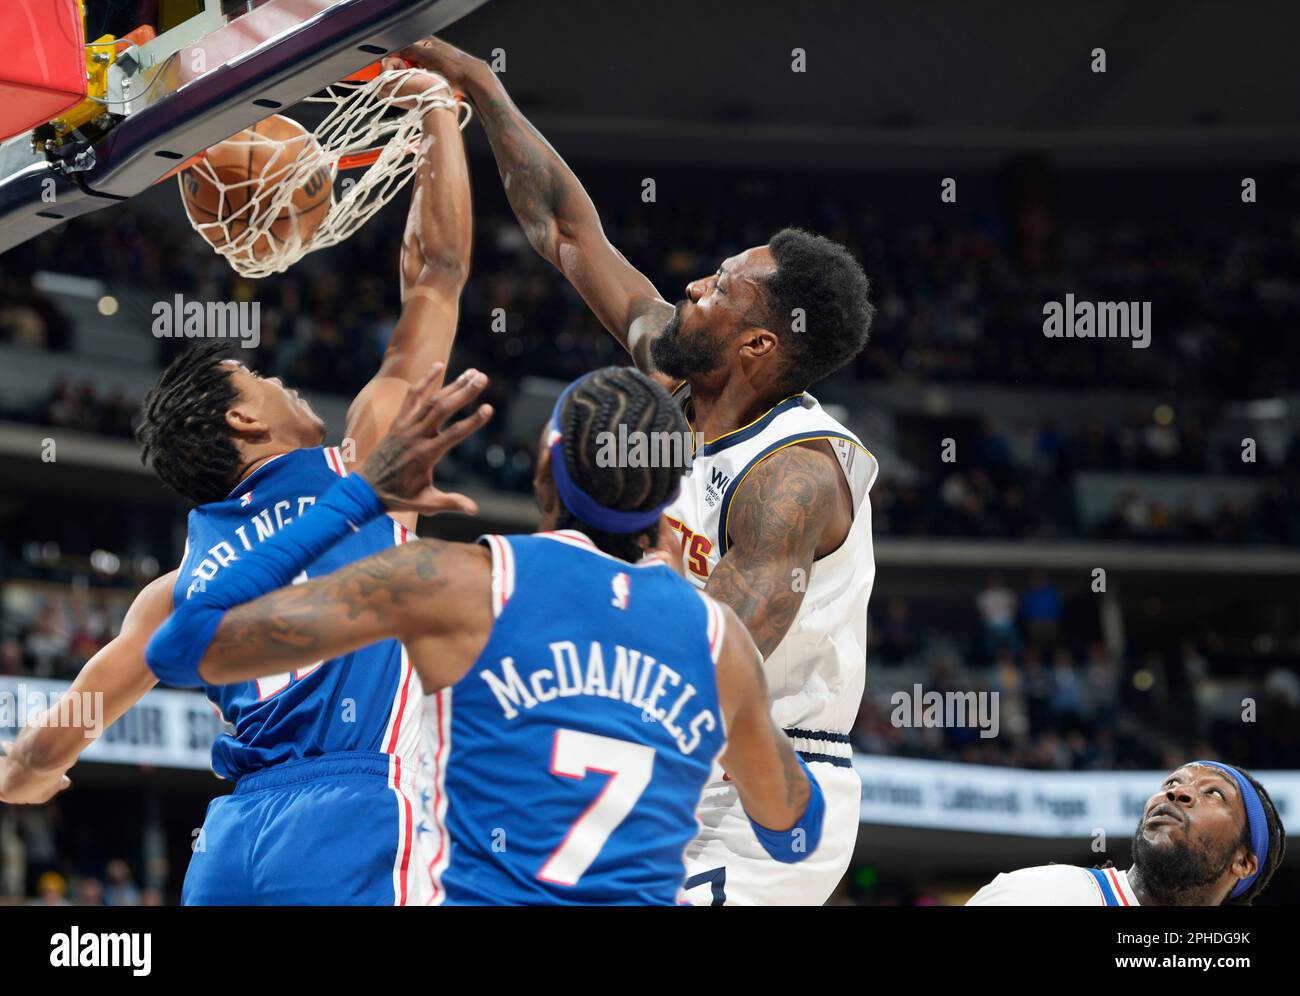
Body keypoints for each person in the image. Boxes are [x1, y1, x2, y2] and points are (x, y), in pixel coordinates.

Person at [399, 35, 877, 907]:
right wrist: (482, 89)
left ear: (759, 343)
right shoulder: (674, 371)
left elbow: (705, 655)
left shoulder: (795, 476)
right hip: (654, 726)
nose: (694, 286)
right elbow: (565, 230)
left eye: (722, 287)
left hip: (763, 778)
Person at [0, 68, 472, 906]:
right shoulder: (365, 463)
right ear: (242, 426)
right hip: (355, 812)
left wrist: (28, 777)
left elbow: (58, 734)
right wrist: (438, 113)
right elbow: (436, 273)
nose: (281, 381)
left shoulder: (176, 589)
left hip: (233, 845)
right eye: (256, 377)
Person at [146, 365, 825, 905]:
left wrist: (353, 500)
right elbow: (797, 834)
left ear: (544, 469)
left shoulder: (460, 582)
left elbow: (185, 645)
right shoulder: (718, 641)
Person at [967, 761, 1286, 905]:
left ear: (1244, 862)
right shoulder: (1044, 892)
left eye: (1214, 793)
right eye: (1172, 783)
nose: (1177, 793)